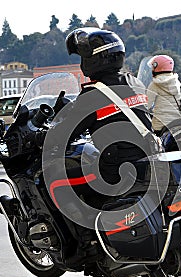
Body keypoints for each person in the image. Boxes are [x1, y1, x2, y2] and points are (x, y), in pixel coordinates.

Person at [50, 27, 154, 208]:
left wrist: (43, 136)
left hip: (119, 170)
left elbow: (65, 133)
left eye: (84, 58)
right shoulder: (133, 82)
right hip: (147, 160)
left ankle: (87, 235)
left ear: (95, 59)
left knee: (67, 186)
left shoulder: (94, 93)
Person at [146, 54, 181, 134]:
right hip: (178, 123)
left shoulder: (154, 85)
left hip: (161, 125)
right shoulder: (176, 82)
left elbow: (146, 105)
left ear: (156, 67)